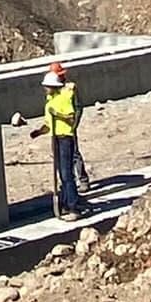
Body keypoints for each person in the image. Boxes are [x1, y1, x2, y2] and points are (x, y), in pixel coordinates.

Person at [42, 61, 85, 218]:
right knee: (61, 172)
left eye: (47, 85)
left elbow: (71, 116)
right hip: (55, 137)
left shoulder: (67, 94)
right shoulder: (50, 100)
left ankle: (73, 206)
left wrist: (63, 119)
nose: (44, 88)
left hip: (66, 137)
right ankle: (66, 203)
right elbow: (48, 122)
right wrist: (38, 132)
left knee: (67, 172)